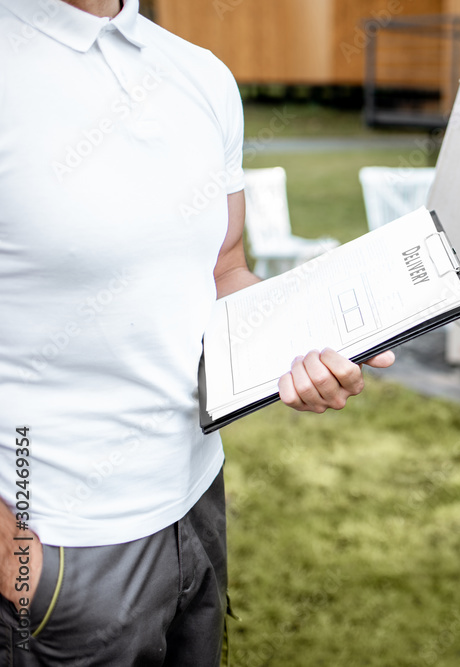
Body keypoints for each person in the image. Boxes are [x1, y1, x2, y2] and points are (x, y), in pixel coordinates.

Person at [0, 0, 394, 663]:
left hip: (197, 503)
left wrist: (301, 344)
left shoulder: (200, 72)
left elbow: (224, 269)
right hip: (59, 540)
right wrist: (17, 561)